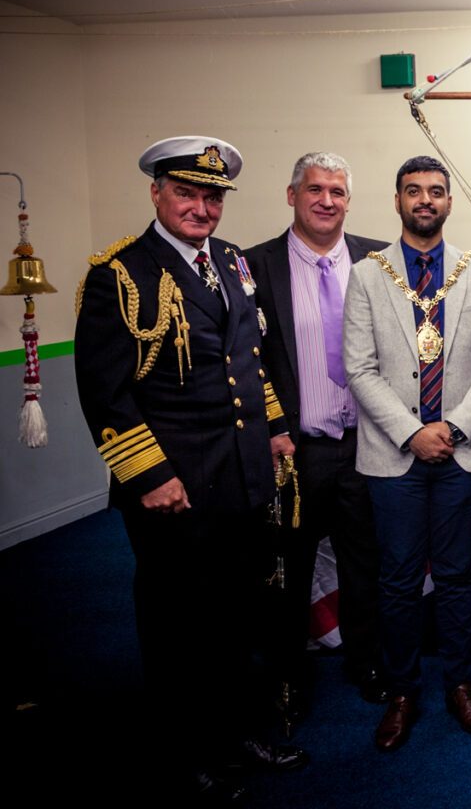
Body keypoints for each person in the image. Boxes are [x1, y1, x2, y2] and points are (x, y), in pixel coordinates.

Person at [75, 136, 308, 801]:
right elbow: (105, 392)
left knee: (237, 617)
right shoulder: (120, 273)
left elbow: (247, 361)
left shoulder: (230, 261)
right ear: (157, 193)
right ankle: (186, 757)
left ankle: (237, 736)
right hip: (175, 487)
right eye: (186, 194)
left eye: (212, 197)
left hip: (242, 478)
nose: (201, 208)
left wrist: (275, 430)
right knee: (179, 626)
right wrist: (149, 477)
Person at [343, 155, 471, 751]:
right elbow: (359, 369)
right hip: (393, 457)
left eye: (435, 191)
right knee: (397, 580)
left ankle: (460, 685)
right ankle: (402, 692)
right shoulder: (367, 275)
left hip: (462, 454)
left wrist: (455, 427)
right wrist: (412, 432)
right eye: (413, 191)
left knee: (457, 575)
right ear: (397, 201)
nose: (424, 200)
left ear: (448, 202)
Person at [248, 152, 389, 719]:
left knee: (365, 565)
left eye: (337, 191)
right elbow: (244, 361)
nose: (326, 201)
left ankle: (366, 662)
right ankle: (288, 676)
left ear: (349, 201)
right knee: (288, 570)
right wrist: (269, 429)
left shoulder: (380, 259)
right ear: (292, 195)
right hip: (294, 451)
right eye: (314, 189)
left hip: (367, 445)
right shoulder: (252, 266)